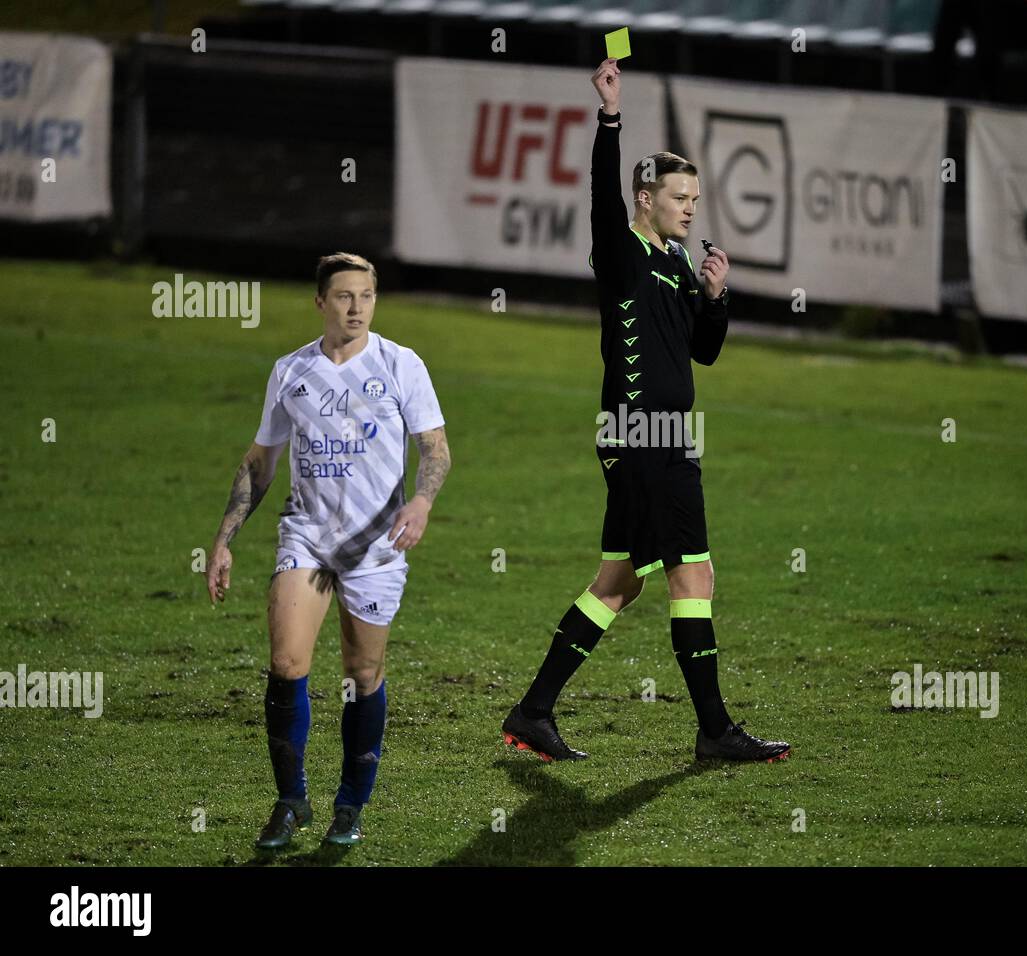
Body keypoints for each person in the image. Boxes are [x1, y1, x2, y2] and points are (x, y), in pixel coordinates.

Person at [501, 59, 790, 764]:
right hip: (643, 437)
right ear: (645, 197)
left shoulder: (674, 262)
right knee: (694, 576)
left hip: (660, 438)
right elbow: (602, 196)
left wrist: (716, 298)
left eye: (695, 197)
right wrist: (610, 118)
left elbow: (706, 352)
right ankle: (715, 730)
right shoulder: (627, 254)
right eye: (679, 195)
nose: (690, 207)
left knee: (620, 583)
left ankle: (534, 711)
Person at [207, 252, 451, 848]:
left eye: (366, 296)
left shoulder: (401, 364)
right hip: (307, 536)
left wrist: (420, 503)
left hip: (375, 545)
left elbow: (436, 451)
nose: (356, 308)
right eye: (343, 297)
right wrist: (223, 538)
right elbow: (260, 461)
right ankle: (290, 801)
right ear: (321, 302)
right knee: (287, 664)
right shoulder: (291, 371)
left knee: (362, 673)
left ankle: (350, 805)